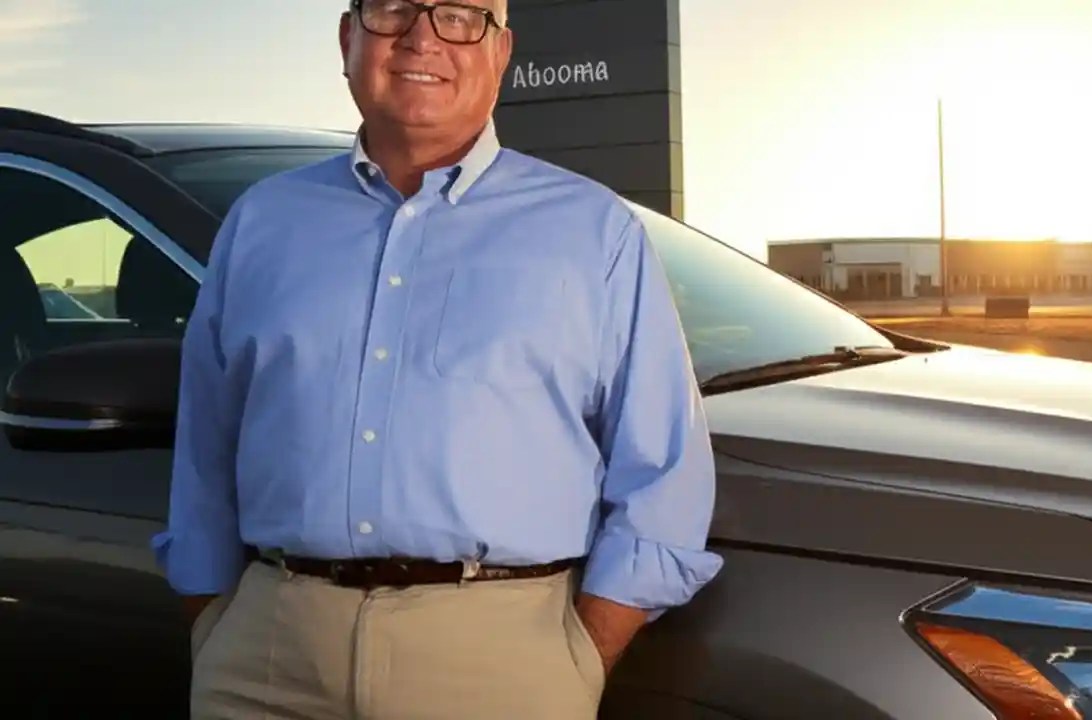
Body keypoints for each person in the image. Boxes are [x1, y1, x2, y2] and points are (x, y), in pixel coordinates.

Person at [150, 0, 723, 717]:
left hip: (499, 665)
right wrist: (214, 623)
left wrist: (580, 653)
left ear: (500, 51)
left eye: (457, 14)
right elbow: (206, 446)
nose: (422, 37)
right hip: (266, 659)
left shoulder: (594, 232)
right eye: (393, 9)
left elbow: (663, 471)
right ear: (348, 37)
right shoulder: (262, 222)